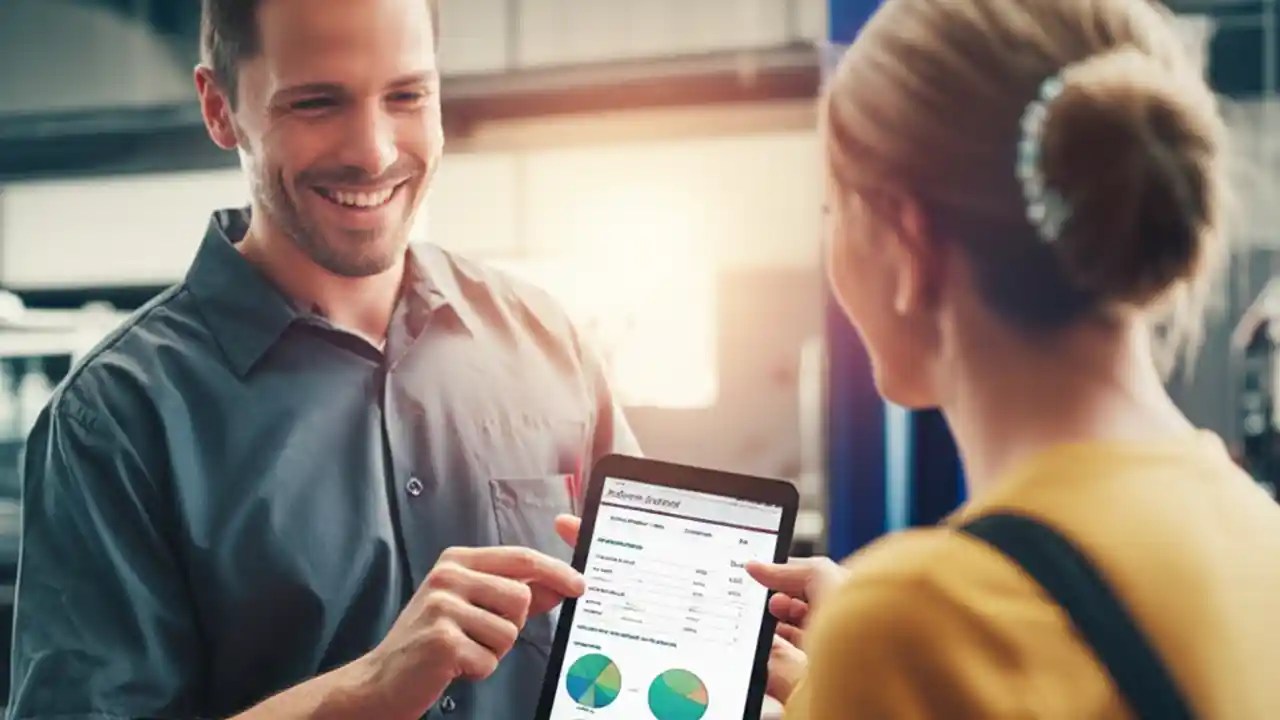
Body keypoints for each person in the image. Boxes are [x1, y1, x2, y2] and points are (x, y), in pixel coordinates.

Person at [8, 1, 638, 719]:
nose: (372, 151)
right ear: (220, 108)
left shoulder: (549, 342)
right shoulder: (116, 421)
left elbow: (638, 663)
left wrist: (761, 662)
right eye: (316, 102)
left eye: (407, 96)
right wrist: (365, 693)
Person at [744, 0, 1280, 717]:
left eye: (833, 209)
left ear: (908, 242)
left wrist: (869, 652)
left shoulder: (919, 628)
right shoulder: (1256, 536)